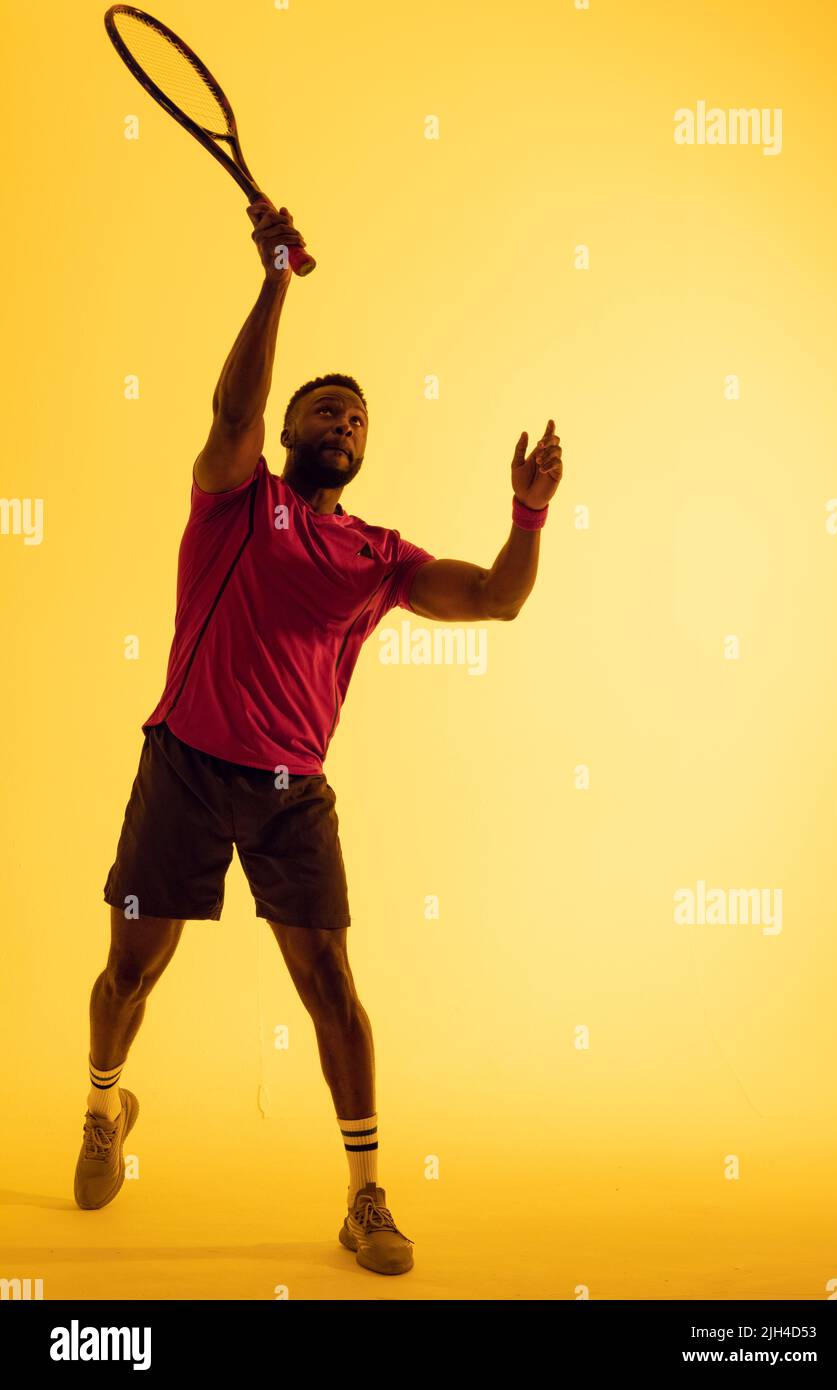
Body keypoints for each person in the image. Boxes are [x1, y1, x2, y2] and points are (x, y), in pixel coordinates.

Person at [74, 197, 564, 1277]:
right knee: (131, 976)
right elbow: (229, 404)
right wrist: (278, 278)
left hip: (295, 796)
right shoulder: (237, 499)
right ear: (288, 430)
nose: (343, 426)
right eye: (327, 412)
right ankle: (107, 1105)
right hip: (187, 771)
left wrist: (527, 517)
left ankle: (364, 1195)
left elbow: (497, 599)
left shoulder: (378, 555)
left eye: (357, 421)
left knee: (334, 992)